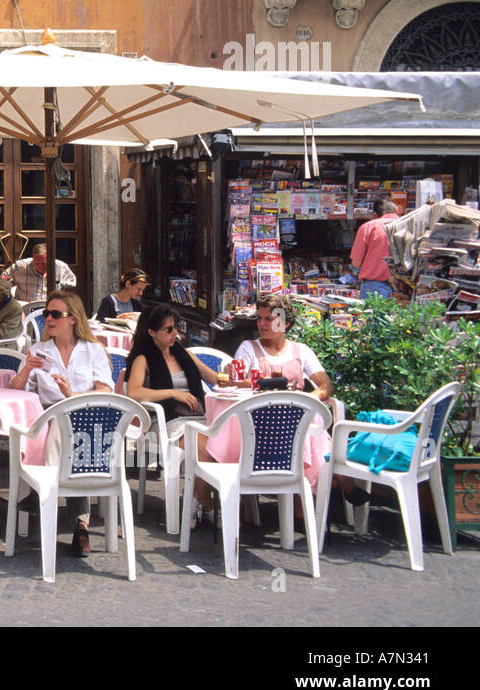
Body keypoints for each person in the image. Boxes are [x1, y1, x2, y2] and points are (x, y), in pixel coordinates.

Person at [228, 294, 363, 502]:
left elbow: (326, 385)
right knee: (312, 431)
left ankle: (306, 507)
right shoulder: (249, 348)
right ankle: (341, 484)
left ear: (286, 322)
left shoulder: (301, 351)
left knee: (309, 423)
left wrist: (310, 399)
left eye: (269, 319)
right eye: (260, 318)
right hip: (259, 424)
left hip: (296, 420)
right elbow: (236, 381)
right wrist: (269, 384)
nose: (261, 324)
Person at [8, 289, 111, 556]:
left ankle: (44, 492)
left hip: (88, 419)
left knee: (65, 429)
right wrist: (27, 369)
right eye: (46, 314)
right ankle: (81, 524)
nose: (49, 319)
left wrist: (72, 395)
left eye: (55, 314)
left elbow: (105, 391)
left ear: (73, 318)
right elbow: (15, 390)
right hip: (50, 418)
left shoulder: (93, 350)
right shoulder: (39, 350)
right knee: (58, 426)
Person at [123, 303, 219, 528]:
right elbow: (134, 392)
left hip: (198, 418)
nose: (175, 333)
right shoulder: (143, 359)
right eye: (168, 329)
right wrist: (173, 393)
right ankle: (205, 502)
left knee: (222, 439)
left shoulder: (182, 354)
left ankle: (198, 499)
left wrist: (235, 379)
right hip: (167, 421)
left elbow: (213, 378)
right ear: (151, 332)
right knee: (204, 444)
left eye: (176, 328)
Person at [350, 198, 400, 298]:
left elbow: (356, 263)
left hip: (374, 285)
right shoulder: (408, 225)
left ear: (375, 215)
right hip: (403, 287)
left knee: (373, 313)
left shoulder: (368, 227)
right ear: (397, 211)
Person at [2, 243, 76, 301]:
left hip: (52, 309)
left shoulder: (61, 267)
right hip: (27, 309)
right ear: (33, 259)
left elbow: (73, 286)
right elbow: (3, 279)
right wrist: (10, 299)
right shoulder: (20, 266)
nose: (41, 266)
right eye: (37, 263)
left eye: (44, 263)